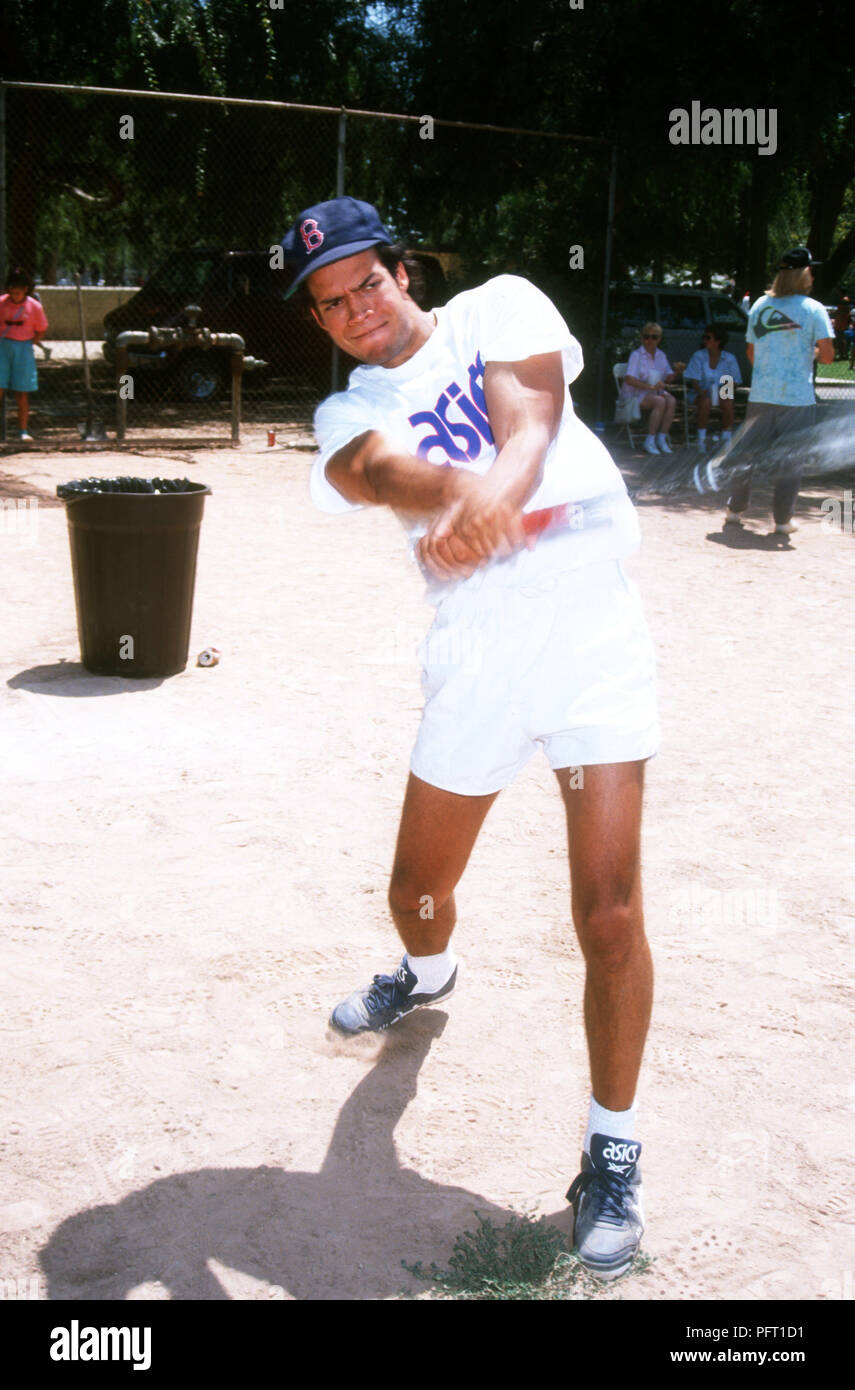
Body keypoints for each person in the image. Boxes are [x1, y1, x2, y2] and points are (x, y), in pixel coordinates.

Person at [280, 197, 661, 1281]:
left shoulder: (500, 302)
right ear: (320, 321)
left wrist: (499, 487)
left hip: (591, 629)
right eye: (331, 303)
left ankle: (613, 1149)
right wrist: (457, 493)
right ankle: (427, 968)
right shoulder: (344, 407)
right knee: (416, 892)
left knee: (610, 910)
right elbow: (377, 474)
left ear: (404, 268)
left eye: (367, 282)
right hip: (478, 656)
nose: (356, 310)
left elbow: (531, 420)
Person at [723, 246, 834, 535]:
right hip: (796, 397)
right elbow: (829, 356)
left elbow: (751, 352)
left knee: (747, 453)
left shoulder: (760, 305)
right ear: (805, 273)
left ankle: (734, 510)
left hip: (762, 394)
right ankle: (783, 521)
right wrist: (806, 354)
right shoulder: (813, 309)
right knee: (791, 459)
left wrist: (769, 370)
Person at [621, 324, 685, 455]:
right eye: (646, 337)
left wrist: (677, 373)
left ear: (659, 339)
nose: (650, 340)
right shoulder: (636, 355)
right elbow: (629, 379)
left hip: (653, 391)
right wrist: (650, 387)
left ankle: (661, 438)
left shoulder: (661, 356)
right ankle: (650, 440)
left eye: (654, 337)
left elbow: (667, 378)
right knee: (660, 402)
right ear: (642, 338)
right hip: (634, 393)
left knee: (671, 400)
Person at [0, 267, 48, 441]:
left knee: (22, 392)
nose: (15, 296)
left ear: (26, 290)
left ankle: (23, 431)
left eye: (19, 293)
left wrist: (29, 344)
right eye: (12, 292)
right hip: (2, 347)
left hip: (24, 348)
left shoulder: (34, 306)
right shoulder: (2, 303)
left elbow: (41, 329)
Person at [683, 323, 742, 451]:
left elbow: (736, 380)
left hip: (722, 392)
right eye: (705, 337)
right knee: (705, 402)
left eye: (709, 338)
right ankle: (701, 439)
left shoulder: (729, 358)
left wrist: (726, 389)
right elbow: (694, 380)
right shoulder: (698, 356)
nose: (705, 340)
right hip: (700, 392)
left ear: (718, 341)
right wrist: (701, 391)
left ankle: (726, 439)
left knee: (728, 403)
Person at [831, 295, 851, 360]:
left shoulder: (845, 309)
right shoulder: (844, 308)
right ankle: (842, 355)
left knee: (841, 341)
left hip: (842, 327)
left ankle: (843, 355)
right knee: (839, 341)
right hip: (839, 327)